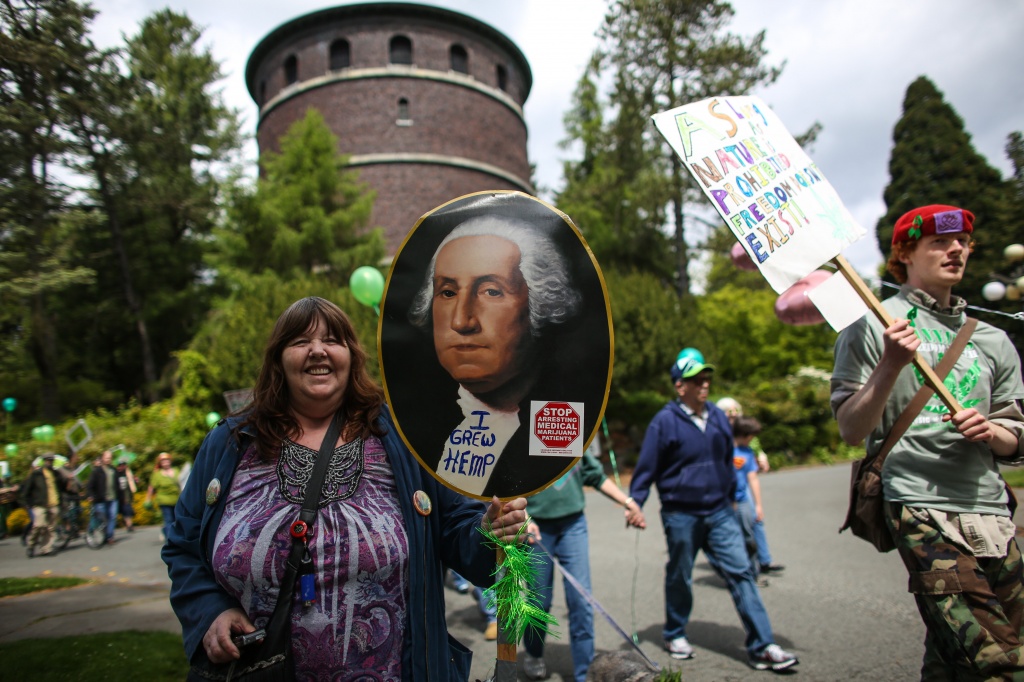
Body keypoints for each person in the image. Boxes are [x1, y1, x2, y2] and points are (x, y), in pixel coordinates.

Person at [162, 296, 528, 681]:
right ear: (278, 358)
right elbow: (183, 547)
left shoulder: (403, 437)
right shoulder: (231, 443)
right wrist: (210, 611)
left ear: (352, 355)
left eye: (332, 339)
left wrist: (489, 533)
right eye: (300, 341)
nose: (317, 350)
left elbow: (458, 530)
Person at [831, 204, 1024, 680]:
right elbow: (852, 428)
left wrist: (994, 431)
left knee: (953, 660)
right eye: (939, 241)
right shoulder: (874, 324)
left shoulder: (994, 339)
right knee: (997, 662)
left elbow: (1015, 436)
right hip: (918, 506)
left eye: (962, 241)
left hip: (991, 509)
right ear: (905, 252)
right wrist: (891, 363)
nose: (955, 248)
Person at [627, 353, 799, 672]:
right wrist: (635, 501)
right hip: (681, 514)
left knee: (741, 572)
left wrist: (734, 497)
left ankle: (762, 645)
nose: (704, 385)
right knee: (680, 574)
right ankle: (675, 632)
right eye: (696, 380)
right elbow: (647, 467)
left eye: (706, 379)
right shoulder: (663, 422)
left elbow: (726, 460)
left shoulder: (718, 416)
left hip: (720, 512)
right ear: (680, 386)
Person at [406, 215, 584, 498]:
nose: (462, 321)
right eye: (448, 292)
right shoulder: (409, 428)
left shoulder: (559, 414)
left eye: (491, 291)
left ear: (541, 304)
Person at [521, 445, 638, 682]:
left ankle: (585, 673)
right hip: (536, 526)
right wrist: (523, 517)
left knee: (581, 600)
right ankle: (533, 653)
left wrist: (628, 501)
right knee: (539, 602)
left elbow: (594, 475)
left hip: (573, 525)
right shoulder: (523, 430)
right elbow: (507, 478)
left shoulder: (574, 429)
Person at [714, 397, 783, 576]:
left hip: (743, 488)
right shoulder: (718, 435)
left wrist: (761, 456)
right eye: (730, 416)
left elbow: (754, 445)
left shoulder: (744, 434)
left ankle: (764, 560)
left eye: (736, 415)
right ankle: (744, 568)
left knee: (756, 520)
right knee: (735, 531)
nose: (734, 419)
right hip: (727, 493)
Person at [20, 454, 61, 557]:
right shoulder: (37, 474)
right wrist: (26, 503)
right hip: (40, 504)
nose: (49, 462)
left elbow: (60, 488)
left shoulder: (55, 473)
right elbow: (26, 490)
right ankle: (31, 545)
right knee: (38, 525)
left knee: (50, 528)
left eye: (51, 460)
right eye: (47, 460)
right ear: (44, 461)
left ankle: (46, 548)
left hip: (53, 503)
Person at [86, 450, 119, 545]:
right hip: (100, 499)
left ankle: (109, 536)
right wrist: (90, 495)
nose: (108, 459)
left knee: (112, 517)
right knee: (100, 519)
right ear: (102, 458)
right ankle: (97, 534)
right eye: (106, 457)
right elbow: (90, 485)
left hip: (113, 498)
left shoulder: (113, 470)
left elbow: (117, 484)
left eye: (110, 457)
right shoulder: (97, 471)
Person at [146, 452, 180, 542]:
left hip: (176, 499)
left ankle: (167, 532)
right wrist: (148, 499)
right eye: (163, 461)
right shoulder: (157, 474)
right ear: (160, 463)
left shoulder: (176, 471)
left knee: (177, 520)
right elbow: (151, 487)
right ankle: (171, 539)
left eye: (167, 460)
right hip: (164, 500)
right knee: (169, 519)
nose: (165, 462)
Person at [115, 457, 137, 532]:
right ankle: (129, 524)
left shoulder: (127, 473)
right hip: (120, 496)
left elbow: (132, 482)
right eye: (120, 465)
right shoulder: (116, 474)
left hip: (127, 495)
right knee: (125, 511)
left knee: (127, 511)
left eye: (123, 465)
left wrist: (135, 480)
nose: (122, 466)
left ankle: (129, 524)